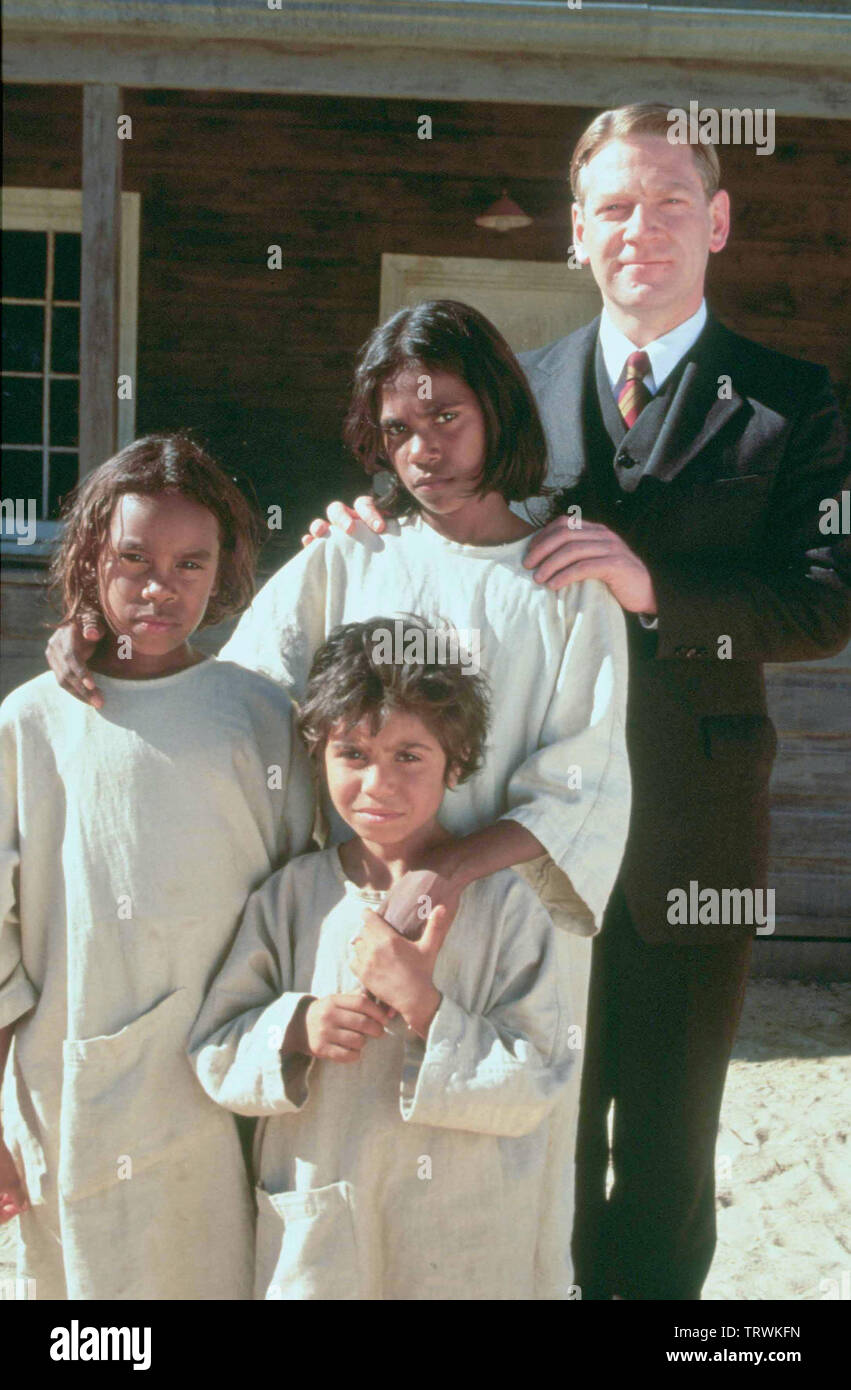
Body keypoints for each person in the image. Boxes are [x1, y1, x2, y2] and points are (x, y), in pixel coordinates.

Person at [290, 105, 851, 1300]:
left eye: (663, 203)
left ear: (716, 220)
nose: (636, 228)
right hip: (511, 842)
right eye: (609, 206)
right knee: (523, 1128)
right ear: (573, 237)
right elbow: (436, 502)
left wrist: (655, 589)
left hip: (688, 837)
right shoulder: (516, 393)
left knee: (661, 1150)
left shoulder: (794, 400)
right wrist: (359, 527)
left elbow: (823, 600)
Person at [45, 301, 631, 1280]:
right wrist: (103, 644)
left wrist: (445, 871)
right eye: (397, 429)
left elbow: (584, 779)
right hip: (345, 916)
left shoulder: (564, 580)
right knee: (337, 1190)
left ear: (497, 405)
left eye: (445, 414)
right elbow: (222, 695)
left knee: (492, 1204)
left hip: (502, 935)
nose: (423, 450)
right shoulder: (348, 557)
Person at [0, 434, 313, 1299]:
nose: (158, 586)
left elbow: (298, 903)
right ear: (92, 556)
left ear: (225, 570)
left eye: (189, 563)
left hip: (227, 1087)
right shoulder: (32, 723)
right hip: (74, 1091)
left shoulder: (257, 714)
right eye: (132, 557)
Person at [189, 618, 579, 1300]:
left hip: (462, 1239)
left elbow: (538, 1078)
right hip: (323, 1231)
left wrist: (424, 1005)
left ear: (455, 763)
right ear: (318, 754)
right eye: (353, 754)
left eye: (409, 756)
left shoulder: (502, 907)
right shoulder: (292, 897)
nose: (378, 783)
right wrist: (294, 1029)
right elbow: (216, 1050)